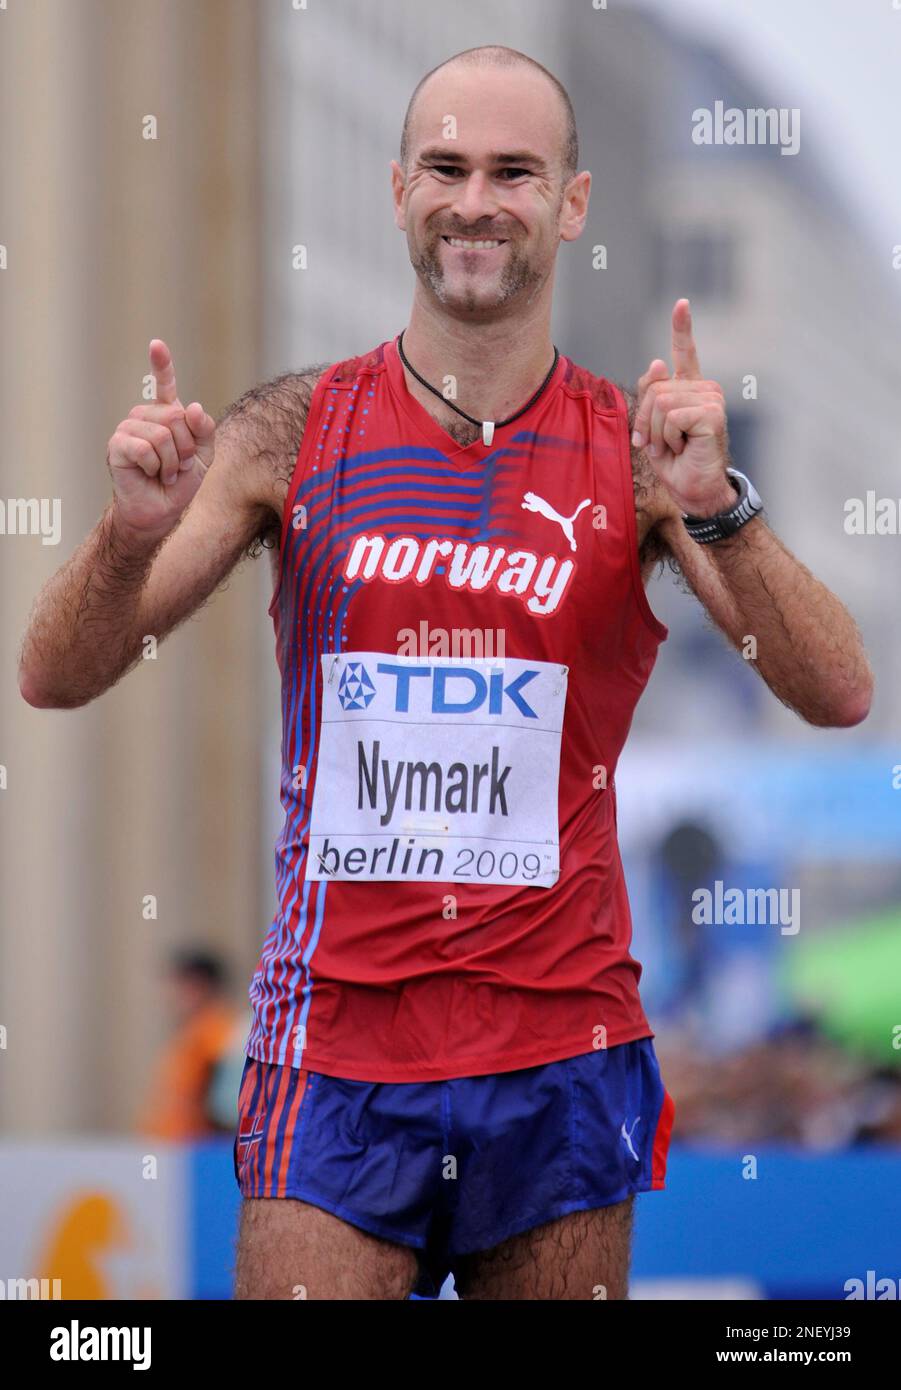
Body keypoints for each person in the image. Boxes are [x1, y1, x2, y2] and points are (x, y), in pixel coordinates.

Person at [18, 45, 873, 1299]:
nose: (476, 199)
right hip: (338, 1048)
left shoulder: (636, 461)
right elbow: (55, 672)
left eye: (514, 172)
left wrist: (724, 508)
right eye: (448, 166)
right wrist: (128, 534)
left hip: (560, 1049)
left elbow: (838, 691)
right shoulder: (293, 432)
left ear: (570, 203)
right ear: (400, 187)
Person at [137, 949, 240, 1140]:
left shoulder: (216, 1029)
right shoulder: (195, 1030)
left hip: (197, 1150)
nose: (172, 996)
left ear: (200, 986)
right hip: (176, 1146)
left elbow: (222, 1097)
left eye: (180, 986)